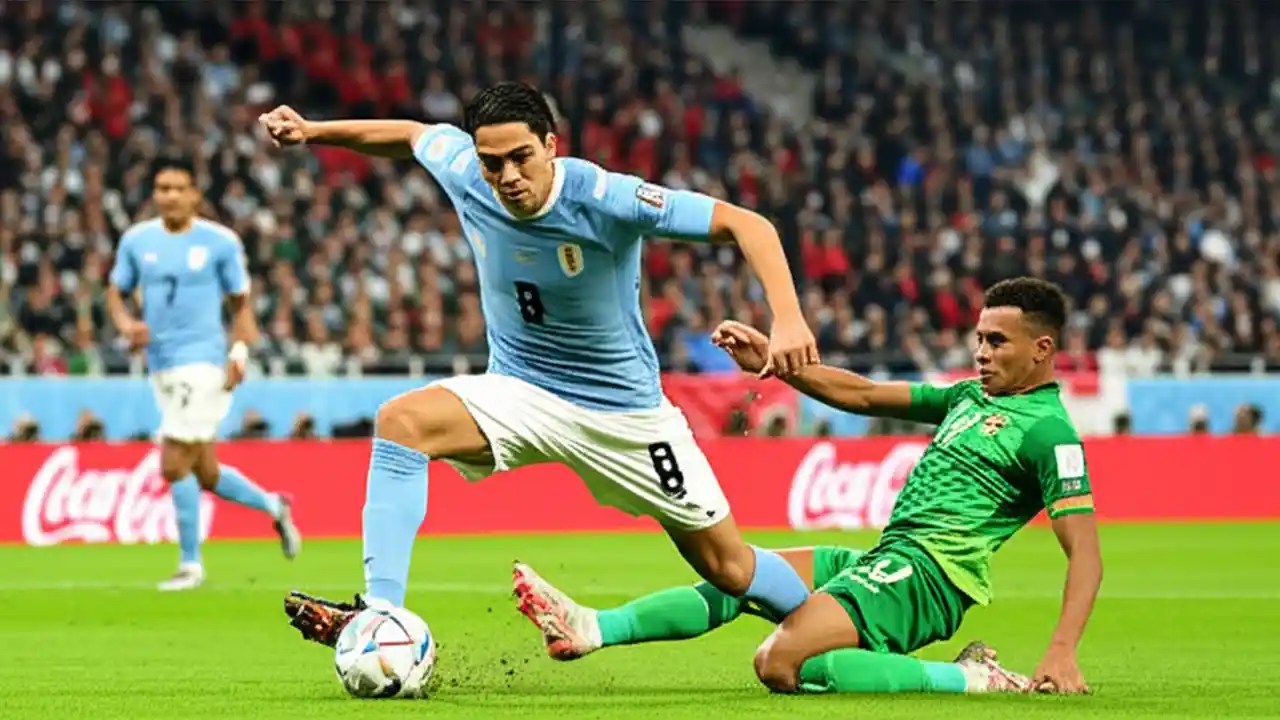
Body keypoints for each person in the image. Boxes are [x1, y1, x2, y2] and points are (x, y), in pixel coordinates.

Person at [257, 81, 820, 645]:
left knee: (729, 569)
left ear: (551, 145)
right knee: (401, 423)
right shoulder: (465, 169)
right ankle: (381, 613)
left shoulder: (605, 198)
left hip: (625, 416)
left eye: (521, 157)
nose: (507, 177)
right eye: (492, 163)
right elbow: (410, 135)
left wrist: (788, 319)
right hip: (521, 391)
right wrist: (312, 132)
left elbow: (750, 224)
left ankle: (836, 619)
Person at [513, 277, 1102, 696]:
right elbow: (863, 394)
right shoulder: (968, 397)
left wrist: (1062, 649)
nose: (980, 352)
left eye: (996, 342)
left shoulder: (1049, 433)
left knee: (779, 662)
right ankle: (591, 627)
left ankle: (974, 679)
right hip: (886, 559)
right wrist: (775, 360)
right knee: (736, 575)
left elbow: (1087, 555)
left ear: (1042, 349)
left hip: (931, 578)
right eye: (978, 338)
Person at [107, 157, 302, 591]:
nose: (170, 196)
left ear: (195, 194)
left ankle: (190, 565)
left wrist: (239, 351)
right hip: (160, 363)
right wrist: (125, 325)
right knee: (206, 471)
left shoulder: (220, 242)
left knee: (174, 460)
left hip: (204, 361)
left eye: (178, 188)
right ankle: (275, 507)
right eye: (162, 188)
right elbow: (116, 292)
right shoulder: (137, 241)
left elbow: (241, 303)